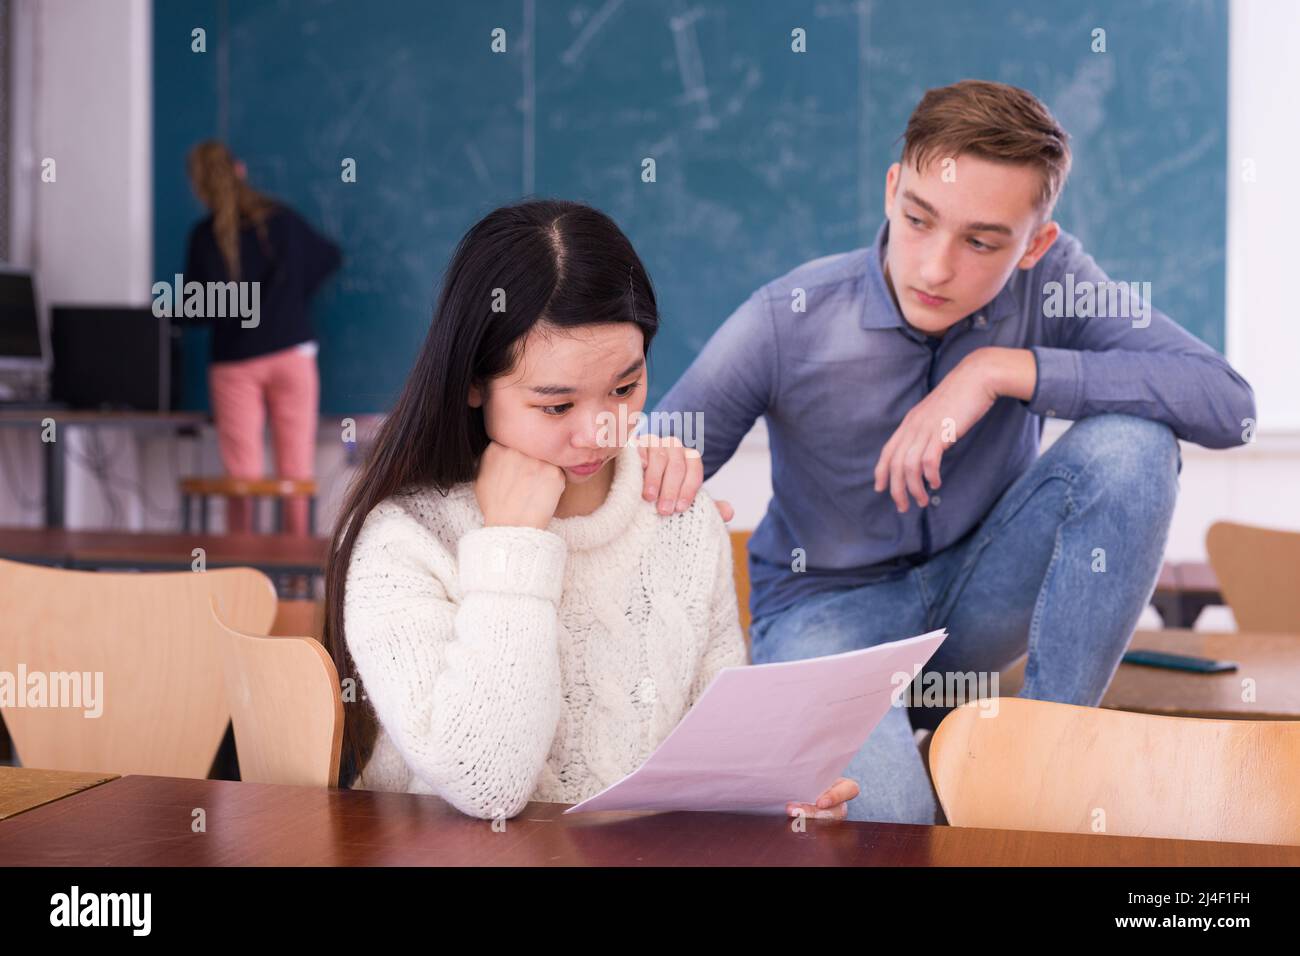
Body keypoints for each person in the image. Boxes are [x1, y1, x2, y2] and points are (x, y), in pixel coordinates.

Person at [647, 79, 1257, 824]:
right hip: (823, 618)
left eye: (980, 241)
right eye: (918, 219)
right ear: (891, 189)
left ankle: (1047, 758)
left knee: (1133, 446)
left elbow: (1229, 405)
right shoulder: (788, 319)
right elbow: (643, 473)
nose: (935, 269)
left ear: (1035, 245)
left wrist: (1002, 371)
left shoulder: (1053, 285)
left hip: (977, 599)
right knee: (897, 830)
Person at [323, 199, 859, 821]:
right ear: (473, 382)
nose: (603, 432)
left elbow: (713, 757)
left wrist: (775, 788)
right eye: (556, 406)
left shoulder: (677, 512)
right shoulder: (403, 541)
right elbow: (488, 786)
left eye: (625, 388)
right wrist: (513, 544)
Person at [183, 140, 342, 535]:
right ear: (239, 170)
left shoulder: (203, 237)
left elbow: (194, 310)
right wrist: (288, 296)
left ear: (200, 187)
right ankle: (295, 575)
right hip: (292, 352)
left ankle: (244, 573)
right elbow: (330, 257)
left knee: (242, 477)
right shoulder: (283, 222)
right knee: (296, 474)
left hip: (234, 361)